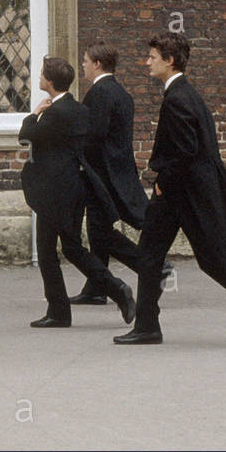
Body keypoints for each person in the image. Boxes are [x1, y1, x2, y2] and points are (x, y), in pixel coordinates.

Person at [115, 32, 226, 346]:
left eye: (152, 57)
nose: (147, 62)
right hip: (190, 193)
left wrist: (161, 186)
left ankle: (149, 327)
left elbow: (185, 151)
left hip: (180, 194)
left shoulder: (178, 99)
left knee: (159, 256)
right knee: (178, 257)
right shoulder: (186, 94)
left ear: (169, 61)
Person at [20, 56, 136, 328]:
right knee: (72, 249)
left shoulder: (54, 113)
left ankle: (60, 311)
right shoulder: (79, 110)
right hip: (75, 187)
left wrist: (34, 112)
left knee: (47, 252)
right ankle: (117, 289)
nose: (39, 77)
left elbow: (26, 137)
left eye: (41, 74)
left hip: (53, 191)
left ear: (49, 81)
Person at [71, 43, 172, 305]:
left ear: (98, 64)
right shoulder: (120, 93)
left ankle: (152, 267)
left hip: (101, 176)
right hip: (117, 172)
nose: (82, 65)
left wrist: (78, 159)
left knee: (101, 233)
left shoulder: (100, 93)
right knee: (98, 230)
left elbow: (94, 137)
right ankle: (96, 287)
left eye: (85, 61)